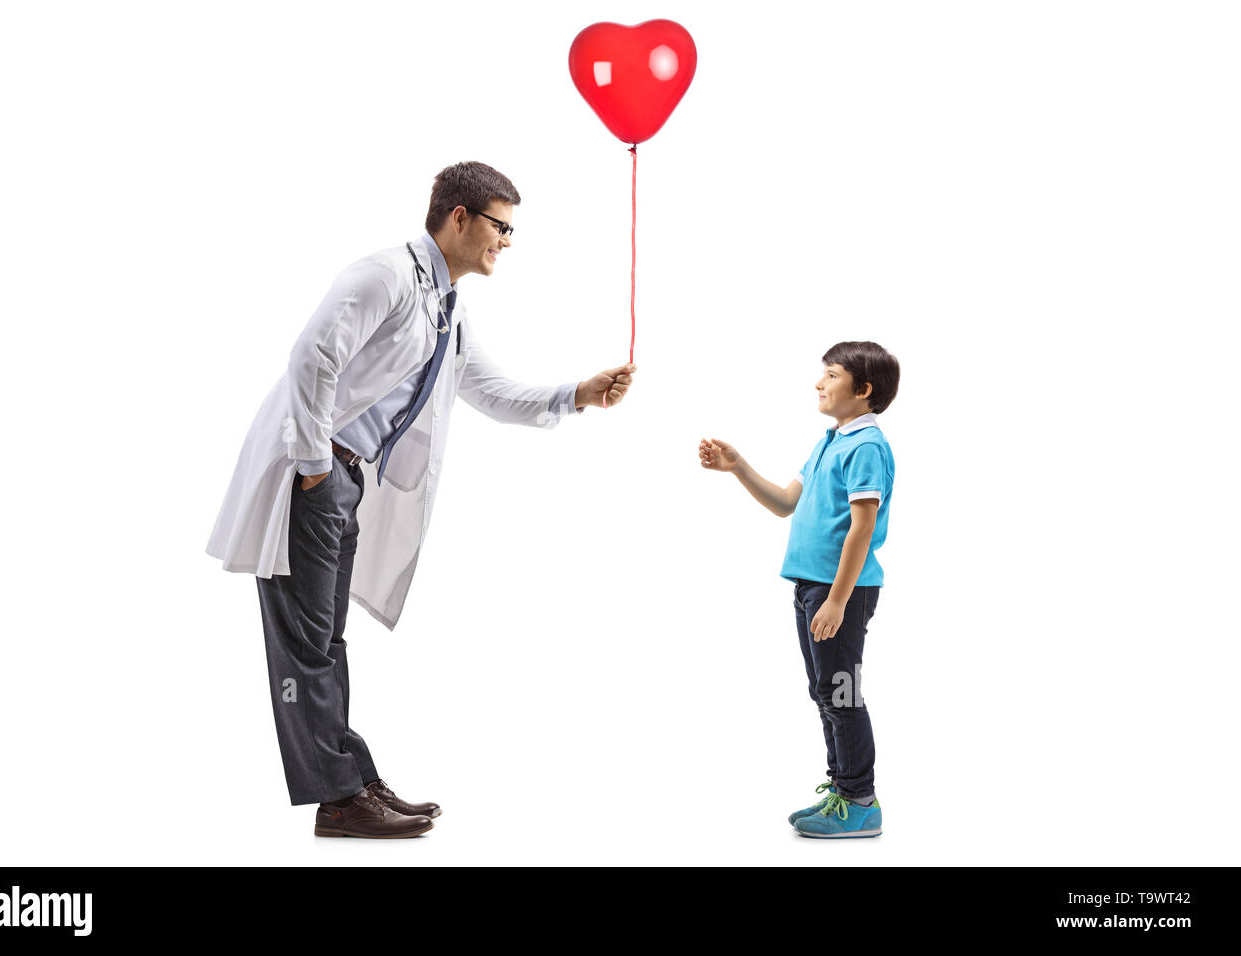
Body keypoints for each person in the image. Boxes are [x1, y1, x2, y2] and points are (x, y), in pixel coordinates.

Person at [206, 161, 636, 838]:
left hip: (341, 481)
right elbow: (312, 356)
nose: (507, 242)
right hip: (307, 477)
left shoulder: (446, 307)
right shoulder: (384, 276)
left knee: (326, 638)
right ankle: (340, 798)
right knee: (305, 644)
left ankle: (350, 778)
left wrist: (576, 395)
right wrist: (317, 471)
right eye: (500, 226)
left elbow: (490, 391)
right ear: (459, 218)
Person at [698, 340, 898, 839]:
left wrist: (836, 599)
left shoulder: (867, 446)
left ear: (864, 390)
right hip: (814, 588)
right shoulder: (831, 439)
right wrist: (738, 466)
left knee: (842, 693)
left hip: (840, 592)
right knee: (825, 692)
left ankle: (861, 802)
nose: (819, 383)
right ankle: (843, 790)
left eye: (831, 375)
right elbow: (787, 502)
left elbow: (862, 528)